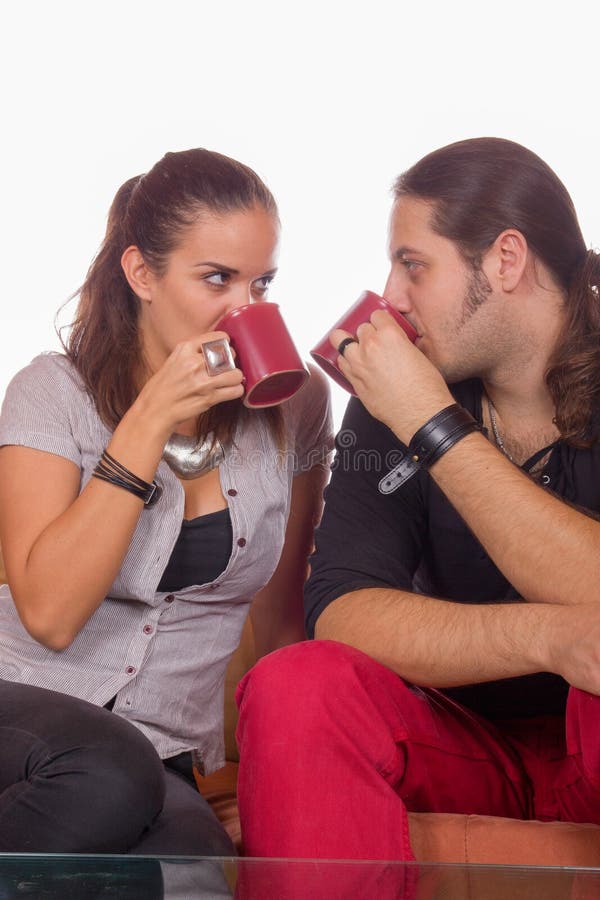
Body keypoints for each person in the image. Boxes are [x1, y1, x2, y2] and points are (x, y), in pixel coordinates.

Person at [235, 137, 600, 861]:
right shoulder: (398, 387)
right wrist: (549, 639)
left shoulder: (415, 397)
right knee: (296, 684)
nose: (392, 299)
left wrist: (435, 428)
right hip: (466, 745)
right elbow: (341, 610)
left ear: (505, 260)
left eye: (413, 265)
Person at [0, 148, 333, 854]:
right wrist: (147, 422)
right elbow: (51, 616)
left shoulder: (296, 407)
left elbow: (279, 630)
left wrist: (277, 779)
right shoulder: (52, 393)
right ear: (141, 273)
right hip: (23, 705)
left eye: (262, 283)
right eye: (217, 279)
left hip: (162, 752)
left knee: (196, 863)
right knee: (104, 774)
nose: (245, 309)